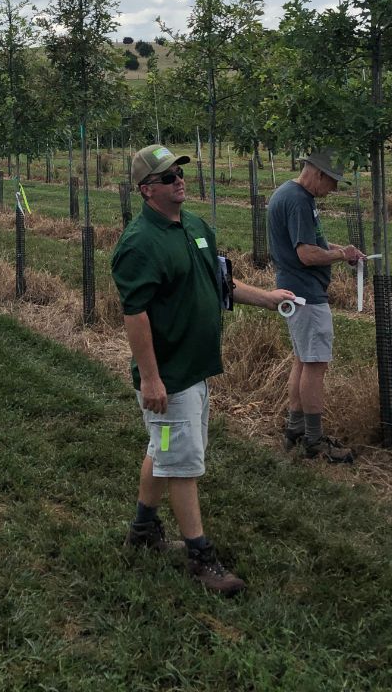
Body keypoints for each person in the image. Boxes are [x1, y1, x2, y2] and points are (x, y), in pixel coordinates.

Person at [112, 143, 293, 597]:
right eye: (168, 176)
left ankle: (143, 529)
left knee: (165, 448)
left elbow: (222, 282)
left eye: (180, 172)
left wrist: (267, 298)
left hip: (195, 369)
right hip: (170, 378)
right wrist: (152, 378)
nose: (179, 180)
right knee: (183, 463)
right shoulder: (138, 244)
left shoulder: (194, 226)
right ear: (146, 189)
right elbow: (135, 316)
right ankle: (200, 556)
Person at [267, 148, 363, 463]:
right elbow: (307, 254)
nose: (332, 190)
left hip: (296, 291)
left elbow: (314, 243)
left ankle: (295, 429)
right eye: (332, 182)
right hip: (306, 294)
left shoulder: (289, 193)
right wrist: (339, 255)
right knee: (316, 365)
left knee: (303, 360)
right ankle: (313, 439)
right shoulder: (297, 201)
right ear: (318, 174)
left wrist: (343, 250)